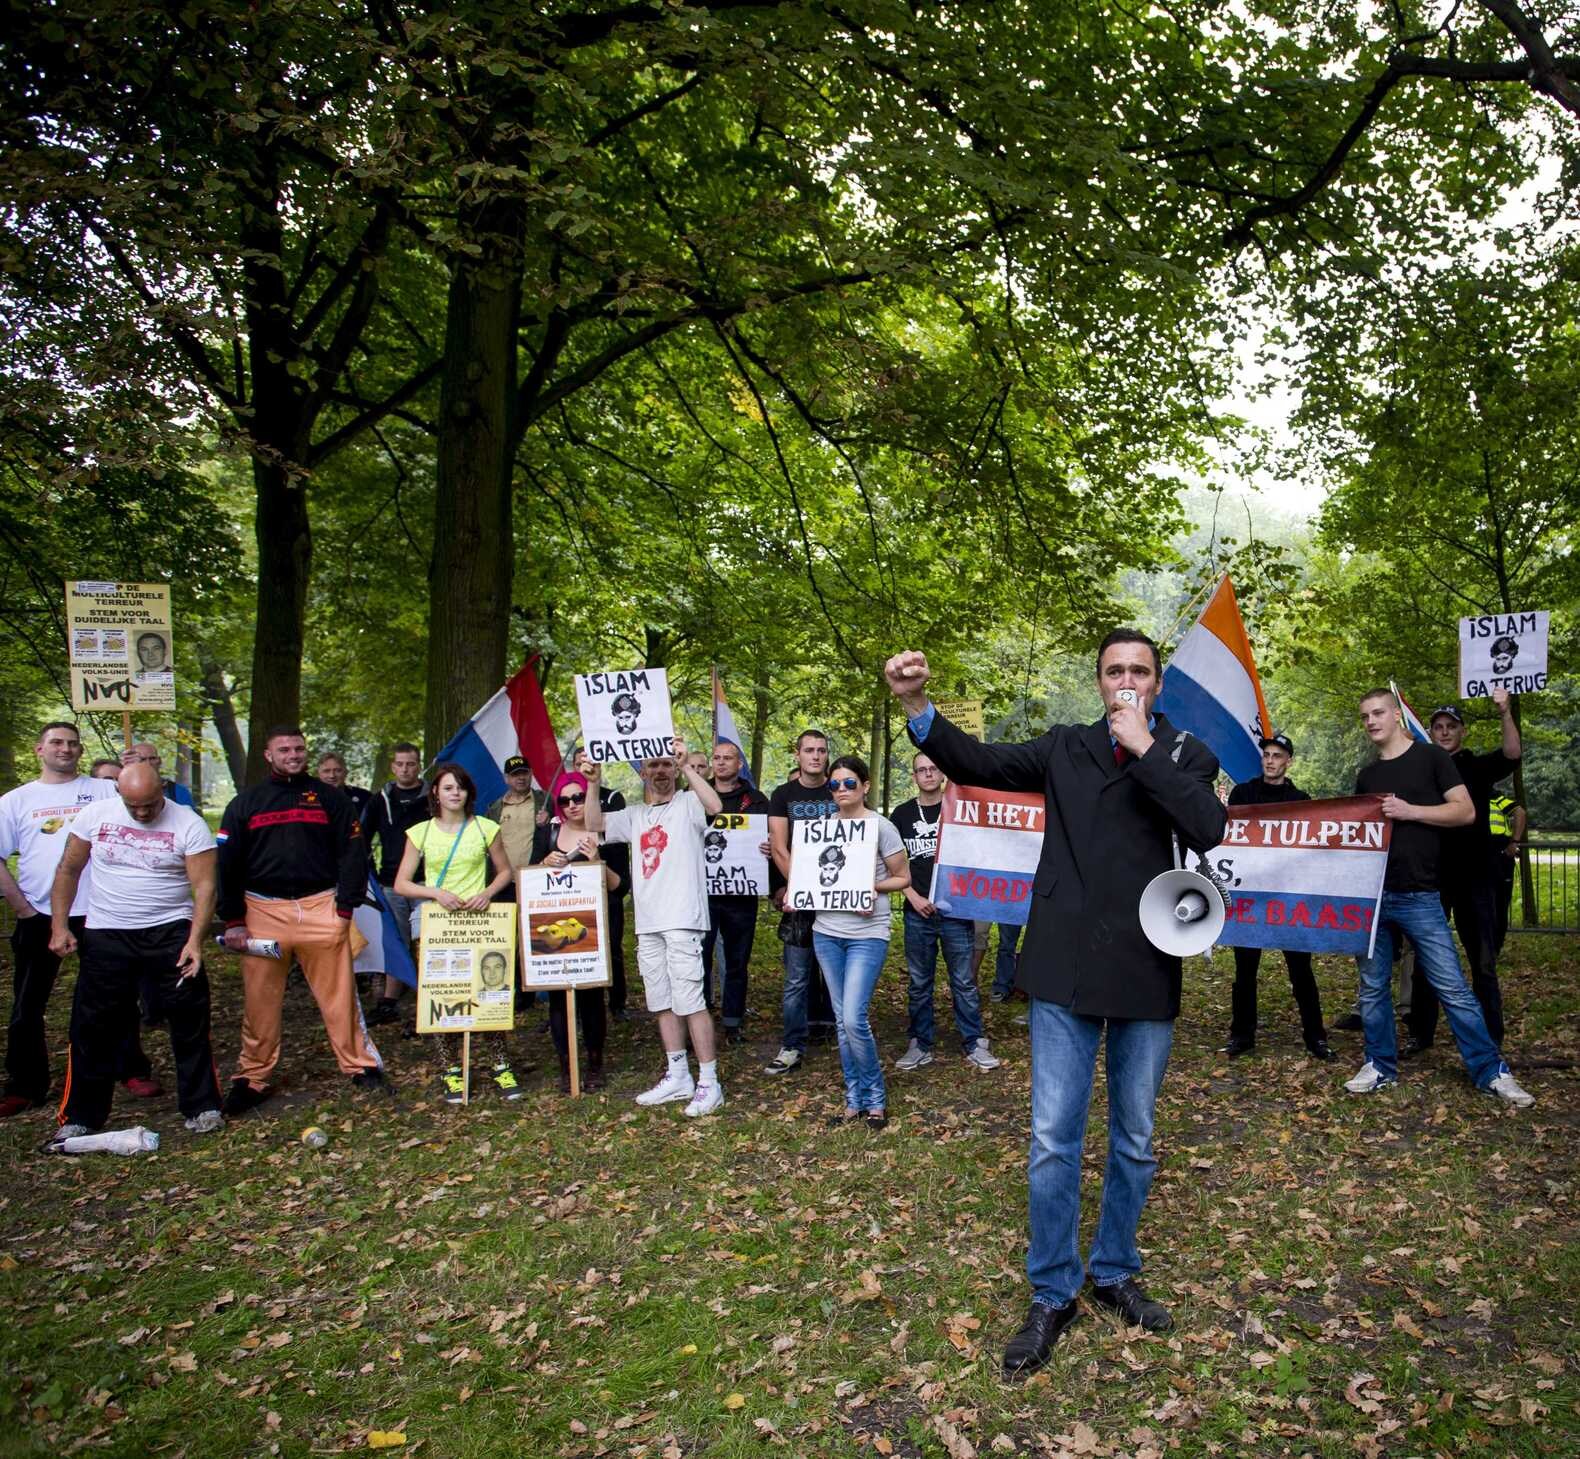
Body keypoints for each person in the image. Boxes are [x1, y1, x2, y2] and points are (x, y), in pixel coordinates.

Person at [885, 631, 1227, 1377]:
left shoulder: (1186, 752)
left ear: (1157, 683)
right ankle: (1052, 1289)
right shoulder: (1064, 747)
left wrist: (1145, 749)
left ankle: (1113, 1271)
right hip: (1064, 965)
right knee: (1052, 1139)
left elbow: (1207, 825)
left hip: (1147, 966)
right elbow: (976, 759)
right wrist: (916, 703)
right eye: (1114, 671)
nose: (1126, 681)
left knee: (1134, 1136)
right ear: (1098, 681)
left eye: (1139, 670)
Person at [1345, 690, 1532, 1107]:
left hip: (1420, 895)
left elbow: (1464, 812)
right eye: (1364, 717)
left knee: (1453, 987)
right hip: (1375, 896)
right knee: (1373, 988)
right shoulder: (1367, 776)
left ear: (1396, 716)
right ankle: (1379, 1064)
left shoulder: (1432, 759)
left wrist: (1411, 811)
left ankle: (1490, 1070)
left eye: (1378, 713)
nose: (1371, 721)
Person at [217, 725, 387, 1113]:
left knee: (340, 996)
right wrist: (233, 920)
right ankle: (252, 1076)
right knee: (259, 1001)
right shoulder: (247, 802)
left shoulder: (330, 798)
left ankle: (360, 1066)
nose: (293, 754)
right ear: (268, 755)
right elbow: (227, 863)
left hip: (320, 907)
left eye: (298, 748)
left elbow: (353, 853)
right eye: (284, 749)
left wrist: (345, 908)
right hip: (261, 910)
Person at [49, 763, 224, 1136]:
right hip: (107, 932)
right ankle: (80, 1115)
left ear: (162, 789)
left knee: (189, 1018)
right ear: (119, 794)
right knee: (91, 1024)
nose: (143, 813)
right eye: (134, 806)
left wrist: (195, 941)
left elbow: (205, 886)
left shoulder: (188, 823)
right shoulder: (94, 815)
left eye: (149, 805)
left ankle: (202, 1105)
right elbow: (68, 869)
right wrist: (59, 924)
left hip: (169, 931)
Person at [0, 722, 158, 1118]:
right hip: (40, 912)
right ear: (39, 749)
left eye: (72, 743)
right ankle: (26, 1084)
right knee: (27, 1004)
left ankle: (131, 1069)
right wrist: (23, 908)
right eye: (56, 742)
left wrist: (140, 764)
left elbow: (149, 807)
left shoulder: (105, 789)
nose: (65, 749)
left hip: (103, 912)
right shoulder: (16, 801)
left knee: (117, 998)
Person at [582, 739, 726, 1117]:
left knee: (691, 1000)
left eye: (666, 764)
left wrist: (689, 767)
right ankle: (678, 1074)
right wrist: (594, 782)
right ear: (642, 772)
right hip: (648, 923)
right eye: (653, 765)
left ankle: (710, 1082)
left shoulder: (688, 805)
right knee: (661, 1000)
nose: (660, 771)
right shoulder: (634, 815)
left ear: (674, 769)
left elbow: (715, 806)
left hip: (683, 920)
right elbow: (594, 823)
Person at [393, 763, 518, 1102]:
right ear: (435, 792)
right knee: (442, 995)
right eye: (447, 788)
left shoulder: (485, 828)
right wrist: (435, 893)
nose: (454, 793)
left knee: (488, 991)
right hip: (439, 924)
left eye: (460, 788)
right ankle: (451, 1071)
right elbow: (401, 883)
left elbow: (505, 872)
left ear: (468, 793)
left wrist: (487, 893)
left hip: (479, 921)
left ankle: (501, 1066)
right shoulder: (420, 832)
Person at [1405, 693, 1521, 1053]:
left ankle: (1491, 1037)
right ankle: (1421, 1035)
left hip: (1476, 876)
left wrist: (1504, 711)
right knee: (1427, 959)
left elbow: (1513, 755)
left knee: (1482, 960)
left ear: (1462, 732)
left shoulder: (1476, 766)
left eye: (1451, 727)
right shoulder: (1423, 767)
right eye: (1438, 727)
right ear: (1430, 732)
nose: (1444, 732)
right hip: (1432, 877)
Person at [807, 755, 911, 1127]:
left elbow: (903, 878)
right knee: (840, 1020)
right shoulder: (820, 829)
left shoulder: (880, 827)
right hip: (827, 933)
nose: (841, 790)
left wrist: (871, 886)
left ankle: (876, 1096)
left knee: (854, 1018)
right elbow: (814, 877)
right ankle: (854, 1098)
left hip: (867, 934)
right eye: (834, 784)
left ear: (865, 786)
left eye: (849, 783)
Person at [1219, 734, 1333, 1061]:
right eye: (1267, 754)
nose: (1270, 760)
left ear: (1288, 761)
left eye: (1277, 755)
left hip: (1288, 897)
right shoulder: (1243, 794)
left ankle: (1316, 1037)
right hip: (1251, 895)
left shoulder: (1300, 799)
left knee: (1301, 970)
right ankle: (1242, 1035)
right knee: (1244, 970)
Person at [892, 751, 999, 1072]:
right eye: (920, 770)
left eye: (932, 768)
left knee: (964, 980)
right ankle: (920, 1042)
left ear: (942, 774)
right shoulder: (901, 814)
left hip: (956, 911)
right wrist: (911, 896)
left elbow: (980, 854)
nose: (927, 774)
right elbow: (890, 865)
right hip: (917, 911)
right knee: (919, 981)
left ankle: (973, 1041)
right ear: (914, 777)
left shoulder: (960, 809)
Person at [529, 770, 620, 1092]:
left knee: (592, 997)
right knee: (557, 999)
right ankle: (567, 1066)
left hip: (592, 926)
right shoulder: (547, 832)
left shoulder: (607, 832)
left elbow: (620, 886)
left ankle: (595, 1065)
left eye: (578, 798)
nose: (571, 805)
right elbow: (529, 876)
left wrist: (598, 860)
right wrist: (542, 865)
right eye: (564, 800)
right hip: (553, 925)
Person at [762, 729, 836, 1076]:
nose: (816, 756)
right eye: (809, 750)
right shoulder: (783, 795)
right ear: (798, 755)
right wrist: (801, 887)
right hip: (800, 901)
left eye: (822, 750)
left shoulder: (839, 790)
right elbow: (779, 847)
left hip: (838, 898)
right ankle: (792, 1045)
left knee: (838, 974)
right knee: (796, 978)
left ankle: (846, 1039)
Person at [700, 740, 770, 1045]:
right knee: (698, 959)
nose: (722, 763)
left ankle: (733, 1021)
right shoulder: (695, 797)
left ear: (739, 764)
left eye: (728, 758)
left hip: (742, 894)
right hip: (702, 895)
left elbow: (773, 835)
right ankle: (698, 1018)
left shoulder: (756, 800)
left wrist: (767, 847)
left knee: (737, 960)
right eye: (717, 758)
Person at [361, 743, 428, 1024]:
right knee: (395, 942)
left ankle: (430, 1000)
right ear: (393, 767)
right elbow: (363, 837)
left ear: (418, 765)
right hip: (390, 882)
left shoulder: (432, 797)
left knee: (426, 942)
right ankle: (389, 1001)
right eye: (400, 764)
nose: (405, 770)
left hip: (427, 883)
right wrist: (371, 874)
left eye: (410, 764)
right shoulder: (380, 800)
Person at [486, 755, 539, 881]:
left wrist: (548, 821)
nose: (521, 778)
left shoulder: (545, 802)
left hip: (538, 878)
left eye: (524, 773)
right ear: (506, 778)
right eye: (515, 774)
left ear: (531, 774)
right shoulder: (494, 809)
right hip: (504, 881)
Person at [1487, 791, 1527, 955]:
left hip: (1500, 854)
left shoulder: (1495, 797)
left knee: (1500, 902)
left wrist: (1515, 842)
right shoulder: (1466, 796)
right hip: (1481, 854)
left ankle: (1495, 947)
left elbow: (1520, 812)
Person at [121, 742, 194, 807]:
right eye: (142, 759)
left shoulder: (177, 791)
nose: (148, 763)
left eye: (152, 758)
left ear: (159, 761)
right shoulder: (121, 790)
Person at [316, 751, 371, 818]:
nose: (332, 776)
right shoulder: (307, 799)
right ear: (318, 773)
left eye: (337, 770)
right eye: (326, 771)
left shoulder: (365, 797)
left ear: (346, 772)